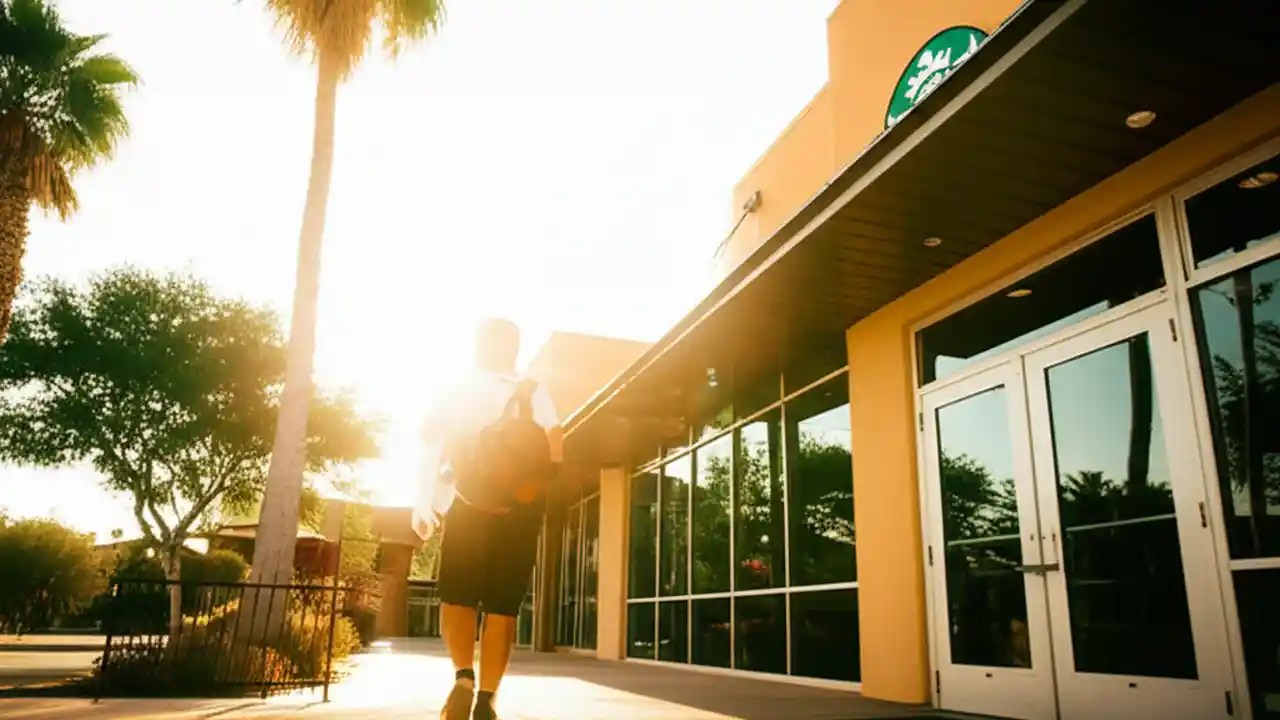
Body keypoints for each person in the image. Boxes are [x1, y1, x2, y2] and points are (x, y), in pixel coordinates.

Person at [415, 318, 563, 720]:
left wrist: (426, 505)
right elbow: (555, 445)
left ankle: (463, 676)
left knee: (457, 596)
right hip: (520, 511)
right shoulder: (532, 390)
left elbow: (432, 441)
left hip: (469, 503)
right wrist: (531, 488)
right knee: (503, 607)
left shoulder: (458, 388)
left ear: (477, 346)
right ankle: (487, 698)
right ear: (514, 349)